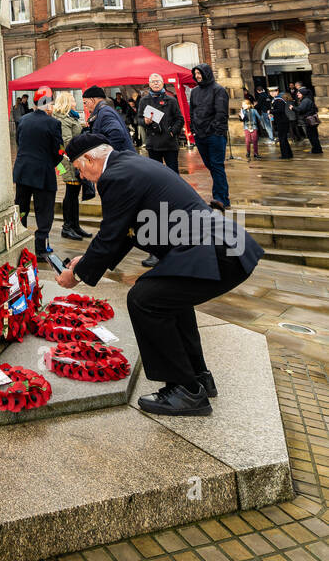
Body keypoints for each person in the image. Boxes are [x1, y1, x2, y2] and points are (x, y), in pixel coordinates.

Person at [56, 132, 264, 417]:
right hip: (221, 247)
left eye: (80, 170)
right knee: (166, 299)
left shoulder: (114, 176)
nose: (83, 177)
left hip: (212, 251)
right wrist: (87, 261)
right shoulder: (128, 163)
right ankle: (196, 377)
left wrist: (77, 274)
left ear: (90, 159)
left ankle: (185, 390)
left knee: (144, 299)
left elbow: (111, 233)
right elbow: (128, 231)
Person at [12, 86, 63, 257]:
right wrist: (51, 163)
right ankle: (40, 248)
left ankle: (20, 241)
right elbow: (59, 151)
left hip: (23, 172)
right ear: (48, 105)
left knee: (22, 209)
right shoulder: (54, 123)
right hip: (43, 174)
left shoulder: (24, 120)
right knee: (44, 212)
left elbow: (20, 143)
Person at [189, 64, 230, 211]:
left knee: (216, 165)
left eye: (200, 73)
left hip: (214, 135)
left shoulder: (218, 90)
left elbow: (221, 113)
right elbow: (192, 112)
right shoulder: (194, 92)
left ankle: (221, 199)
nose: (198, 76)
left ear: (206, 73)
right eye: (196, 74)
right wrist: (194, 130)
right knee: (210, 166)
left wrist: (215, 130)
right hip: (200, 135)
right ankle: (220, 195)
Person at [52, 91, 90, 242]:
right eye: (73, 99)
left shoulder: (71, 116)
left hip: (74, 159)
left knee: (74, 194)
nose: (76, 101)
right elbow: (67, 141)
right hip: (67, 162)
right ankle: (67, 227)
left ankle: (75, 225)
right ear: (67, 102)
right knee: (71, 193)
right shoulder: (61, 119)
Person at [137, 74, 185, 176]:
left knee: (173, 174)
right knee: (157, 175)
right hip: (153, 144)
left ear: (163, 83)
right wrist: (145, 122)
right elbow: (139, 119)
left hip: (169, 143)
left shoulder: (171, 100)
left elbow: (180, 119)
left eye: (158, 81)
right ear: (149, 84)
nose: (155, 83)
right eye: (153, 81)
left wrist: (172, 132)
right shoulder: (144, 101)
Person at [81, 86, 136, 154]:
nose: (85, 106)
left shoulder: (105, 113)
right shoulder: (104, 111)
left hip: (120, 159)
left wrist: (103, 154)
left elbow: (117, 136)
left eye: (85, 102)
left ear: (92, 100)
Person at [295, 85, 323, 155]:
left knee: (312, 136)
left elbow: (300, 109)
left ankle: (316, 150)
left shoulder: (306, 100)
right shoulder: (307, 99)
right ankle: (317, 149)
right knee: (313, 136)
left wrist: (292, 108)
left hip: (310, 121)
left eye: (299, 93)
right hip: (311, 120)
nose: (297, 94)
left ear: (303, 94)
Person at [270, 88, 294, 159]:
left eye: (273, 91)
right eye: (270, 92)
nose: (271, 93)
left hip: (282, 121)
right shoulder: (276, 100)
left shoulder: (279, 100)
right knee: (283, 138)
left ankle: (285, 155)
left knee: (282, 138)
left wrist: (271, 111)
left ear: (277, 91)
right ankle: (288, 154)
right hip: (280, 121)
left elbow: (280, 110)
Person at [240, 96, 261, 161]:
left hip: (254, 127)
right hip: (246, 127)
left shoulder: (254, 110)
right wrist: (241, 116)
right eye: (242, 105)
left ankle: (256, 153)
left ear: (248, 105)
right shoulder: (243, 111)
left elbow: (259, 118)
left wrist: (260, 124)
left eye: (244, 104)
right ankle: (248, 152)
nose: (243, 106)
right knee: (247, 141)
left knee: (255, 140)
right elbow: (242, 120)